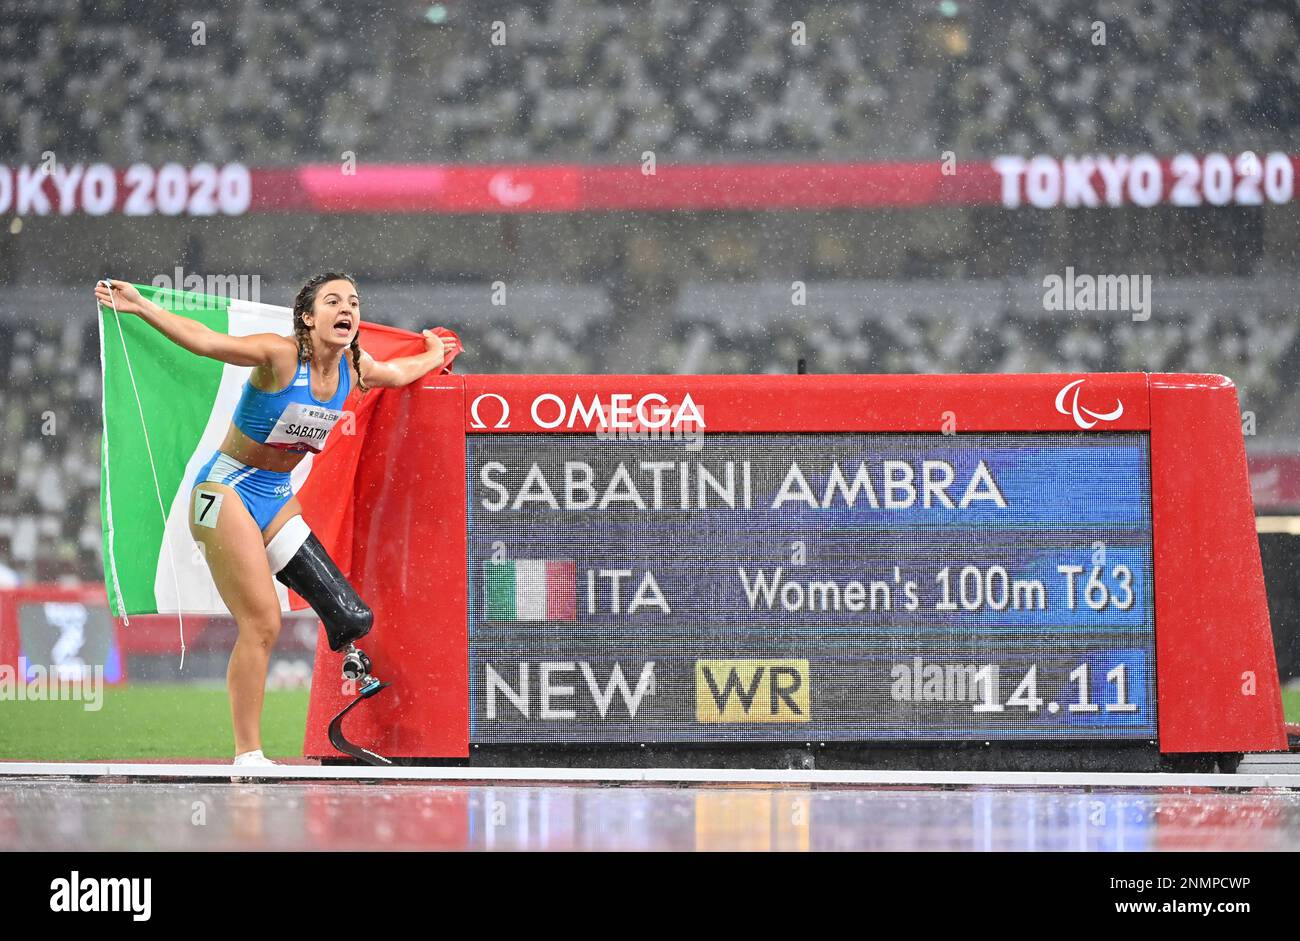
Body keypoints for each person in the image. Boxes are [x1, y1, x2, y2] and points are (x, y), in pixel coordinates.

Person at [93, 273, 456, 775]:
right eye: (333, 301)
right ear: (308, 317)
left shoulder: (354, 366)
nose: (346, 308)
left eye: (353, 301)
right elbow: (207, 342)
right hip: (222, 491)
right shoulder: (281, 356)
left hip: (275, 496)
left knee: (346, 609)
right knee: (262, 622)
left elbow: (398, 373)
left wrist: (434, 353)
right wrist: (140, 307)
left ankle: (356, 669)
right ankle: (248, 756)